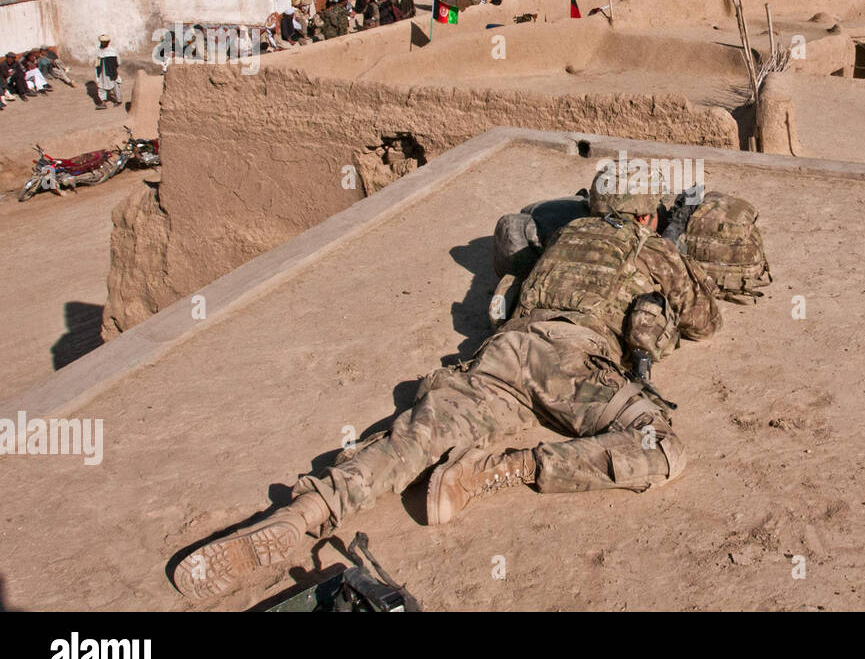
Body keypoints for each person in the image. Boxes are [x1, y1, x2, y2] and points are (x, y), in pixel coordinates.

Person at [171, 177, 721, 600]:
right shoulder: (651, 249)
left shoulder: (566, 234)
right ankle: (502, 469)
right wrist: (670, 254)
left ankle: (302, 515)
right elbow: (705, 321)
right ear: (645, 214)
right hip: (573, 362)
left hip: (506, 350)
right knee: (662, 447)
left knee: (413, 438)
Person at [93, 34, 121, 109]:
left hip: (111, 72)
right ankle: (103, 102)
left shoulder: (113, 51)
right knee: (101, 86)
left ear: (108, 42)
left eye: (105, 42)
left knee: (115, 85)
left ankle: (118, 100)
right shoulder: (99, 51)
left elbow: (118, 62)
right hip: (102, 72)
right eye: (102, 42)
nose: (103, 43)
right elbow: (97, 62)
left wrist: (113, 68)